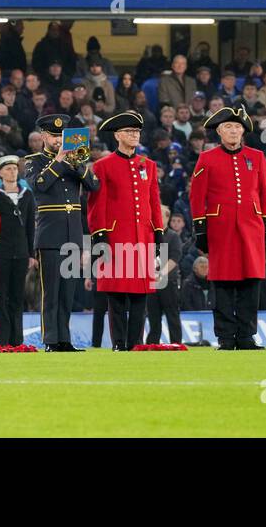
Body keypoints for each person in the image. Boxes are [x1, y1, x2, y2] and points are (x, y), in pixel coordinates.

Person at [188, 106, 266, 349]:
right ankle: (225, 337)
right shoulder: (207, 158)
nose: (234, 131)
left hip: (252, 227)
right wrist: (200, 228)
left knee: (250, 282)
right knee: (223, 283)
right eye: (228, 127)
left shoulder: (257, 157)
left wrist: (265, 223)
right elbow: (197, 196)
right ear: (219, 131)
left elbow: (264, 192)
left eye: (237, 127)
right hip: (220, 228)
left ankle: (246, 336)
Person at [87, 110, 162, 351]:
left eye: (137, 131)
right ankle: (119, 342)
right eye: (129, 131)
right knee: (116, 293)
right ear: (118, 135)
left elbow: (154, 201)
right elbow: (97, 204)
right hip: (115, 237)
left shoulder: (148, 165)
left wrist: (158, 232)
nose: (135, 135)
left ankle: (136, 343)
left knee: (141, 294)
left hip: (143, 237)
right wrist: (100, 235)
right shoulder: (103, 166)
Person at [28, 113, 99, 351]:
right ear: (44, 136)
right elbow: (39, 185)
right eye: (54, 135)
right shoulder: (34, 160)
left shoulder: (75, 161)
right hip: (49, 234)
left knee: (67, 292)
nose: (59, 140)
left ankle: (64, 340)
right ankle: (50, 340)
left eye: (62, 136)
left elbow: (94, 185)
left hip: (73, 234)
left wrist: (77, 164)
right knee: (51, 292)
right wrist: (59, 160)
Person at [0, 154, 35, 347]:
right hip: (1, 251)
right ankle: (1, 339)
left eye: (15, 168)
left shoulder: (26, 194)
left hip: (21, 252)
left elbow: (30, 227)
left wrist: (31, 254)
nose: (12, 172)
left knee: (18, 296)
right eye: (8, 169)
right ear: (0, 173)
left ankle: (17, 340)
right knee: (2, 295)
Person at [146, 205, 184, 343]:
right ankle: (152, 342)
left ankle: (176, 342)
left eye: (159, 215)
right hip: (152, 281)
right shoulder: (149, 235)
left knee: (172, 314)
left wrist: (161, 273)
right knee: (153, 316)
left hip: (168, 282)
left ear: (167, 217)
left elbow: (175, 257)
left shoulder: (173, 236)